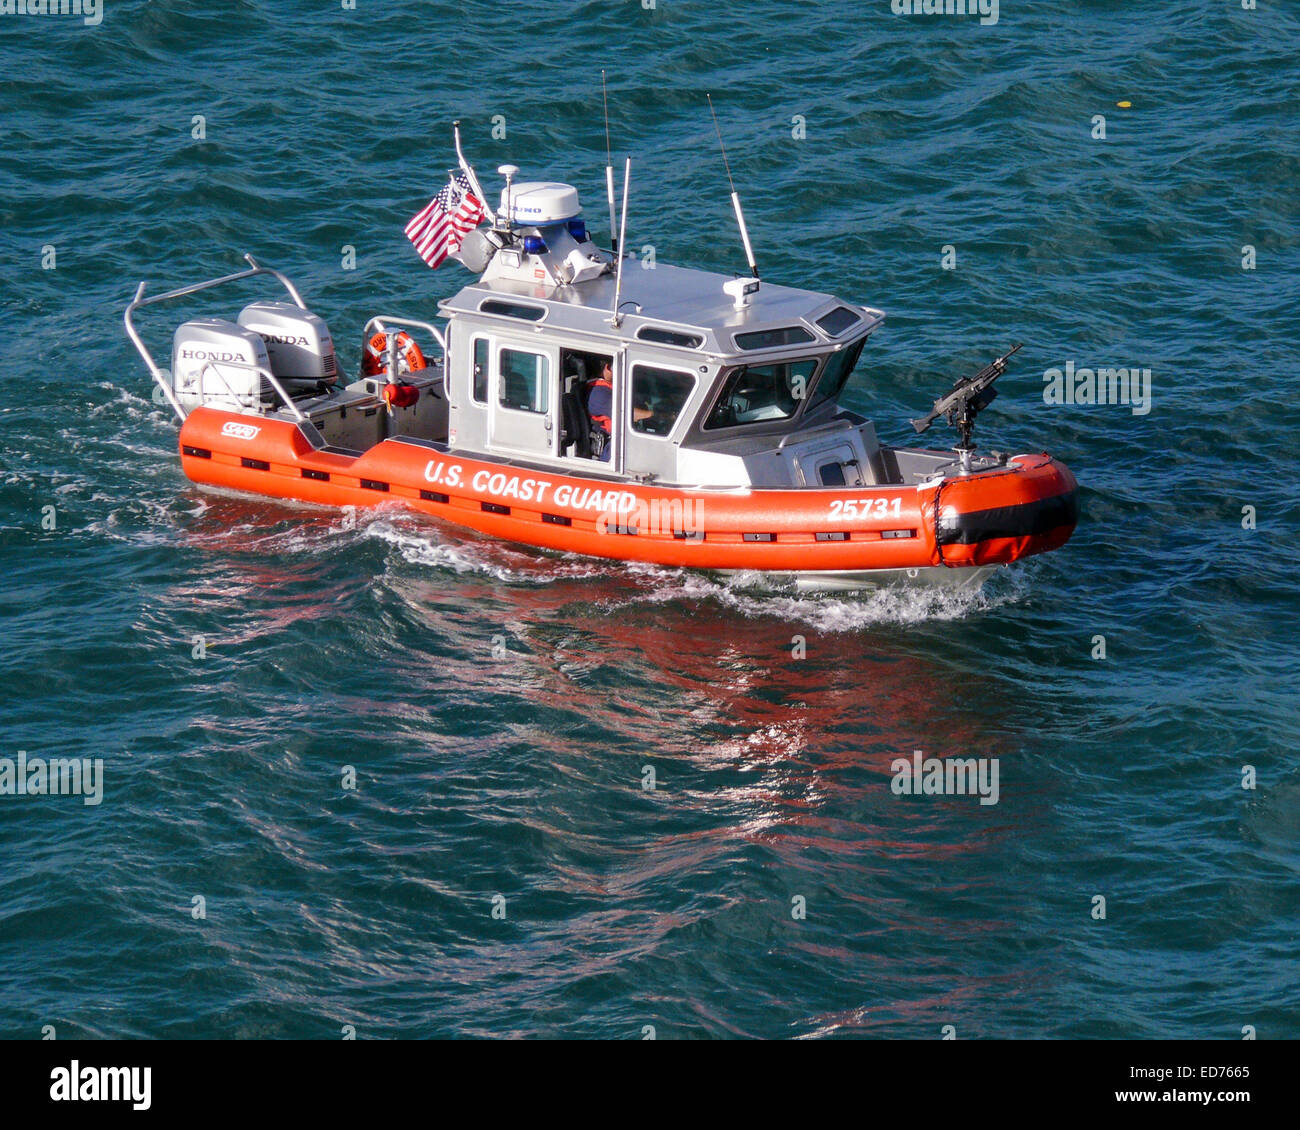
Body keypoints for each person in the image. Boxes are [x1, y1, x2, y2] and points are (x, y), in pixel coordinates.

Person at [586, 360, 652, 461]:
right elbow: (629, 414)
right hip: (612, 451)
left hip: (624, 440)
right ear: (608, 368)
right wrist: (656, 414)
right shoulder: (599, 393)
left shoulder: (614, 387)